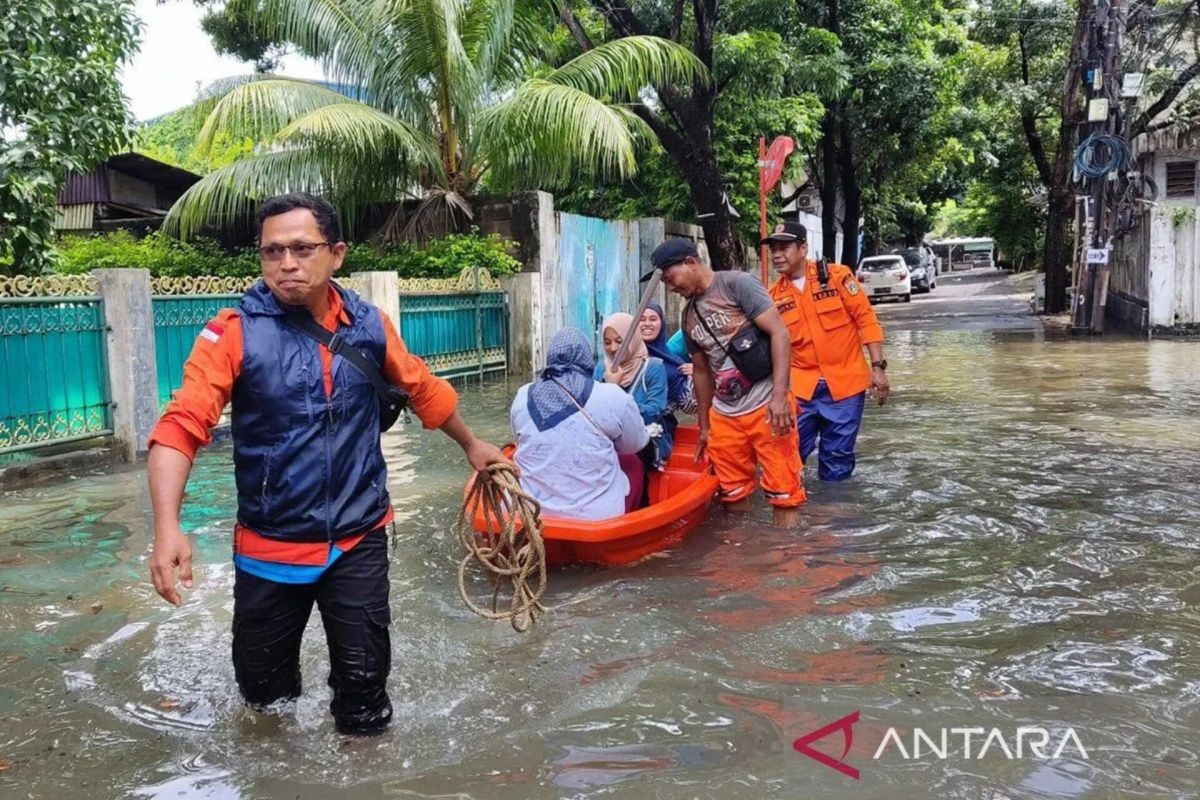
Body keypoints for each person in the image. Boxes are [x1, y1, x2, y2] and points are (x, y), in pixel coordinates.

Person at [145, 192, 508, 736]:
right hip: (270, 548)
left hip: (357, 539)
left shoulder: (369, 325)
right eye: (272, 252)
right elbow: (181, 425)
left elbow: (422, 388)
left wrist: (473, 444)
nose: (286, 264)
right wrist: (167, 526)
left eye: (301, 248)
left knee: (364, 699)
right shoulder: (233, 332)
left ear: (336, 253)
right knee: (265, 704)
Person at [650, 239, 806, 527]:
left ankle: (787, 562)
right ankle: (742, 560)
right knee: (731, 495)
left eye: (671, 278)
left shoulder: (737, 285)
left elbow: (780, 335)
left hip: (766, 404)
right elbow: (701, 371)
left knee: (785, 493)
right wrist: (705, 426)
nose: (671, 288)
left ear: (691, 263)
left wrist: (780, 398)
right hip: (725, 414)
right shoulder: (688, 316)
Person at [764, 221, 889, 481]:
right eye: (773, 249)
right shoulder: (772, 296)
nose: (777, 254)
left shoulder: (838, 277)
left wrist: (878, 368)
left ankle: (835, 515)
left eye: (784, 247)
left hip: (845, 386)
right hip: (800, 390)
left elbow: (866, 320)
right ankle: (792, 514)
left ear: (803, 248)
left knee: (837, 461)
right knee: (789, 455)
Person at [511, 327, 649, 519]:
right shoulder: (612, 395)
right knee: (633, 463)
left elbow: (519, 441)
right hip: (594, 516)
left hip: (527, 512)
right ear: (586, 359)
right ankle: (632, 526)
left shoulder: (522, 394)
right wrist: (612, 387)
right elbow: (635, 444)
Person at [595, 312, 671, 508]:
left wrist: (615, 390)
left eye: (619, 341)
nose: (613, 349)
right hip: (608, 434)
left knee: (629, 455)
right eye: (607, 342)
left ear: (632, 339)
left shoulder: (653, 368)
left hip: (647, 434)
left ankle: (639, 504)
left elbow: (655, 410)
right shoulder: (600, 370)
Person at [638, 302, 697, 414]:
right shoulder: (623, 357)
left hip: (660, 425)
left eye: (653, 319)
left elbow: (690, 407)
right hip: (626, 422)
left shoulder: (672, 362)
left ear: (662, 324)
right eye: (641, 319)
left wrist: (699, 375)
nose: (647, 324)